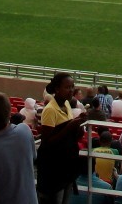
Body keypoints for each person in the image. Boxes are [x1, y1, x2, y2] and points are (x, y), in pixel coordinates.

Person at [37, 73, 86, 204]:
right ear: (57, 89)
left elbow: (70, 135)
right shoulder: (50, 110)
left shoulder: (67, 104)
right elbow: (47, 142)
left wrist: (79, 124)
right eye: (67, 87)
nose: (71, 90)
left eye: (72, 87)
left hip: (66, 166)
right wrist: (70, 126)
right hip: (54, 170)